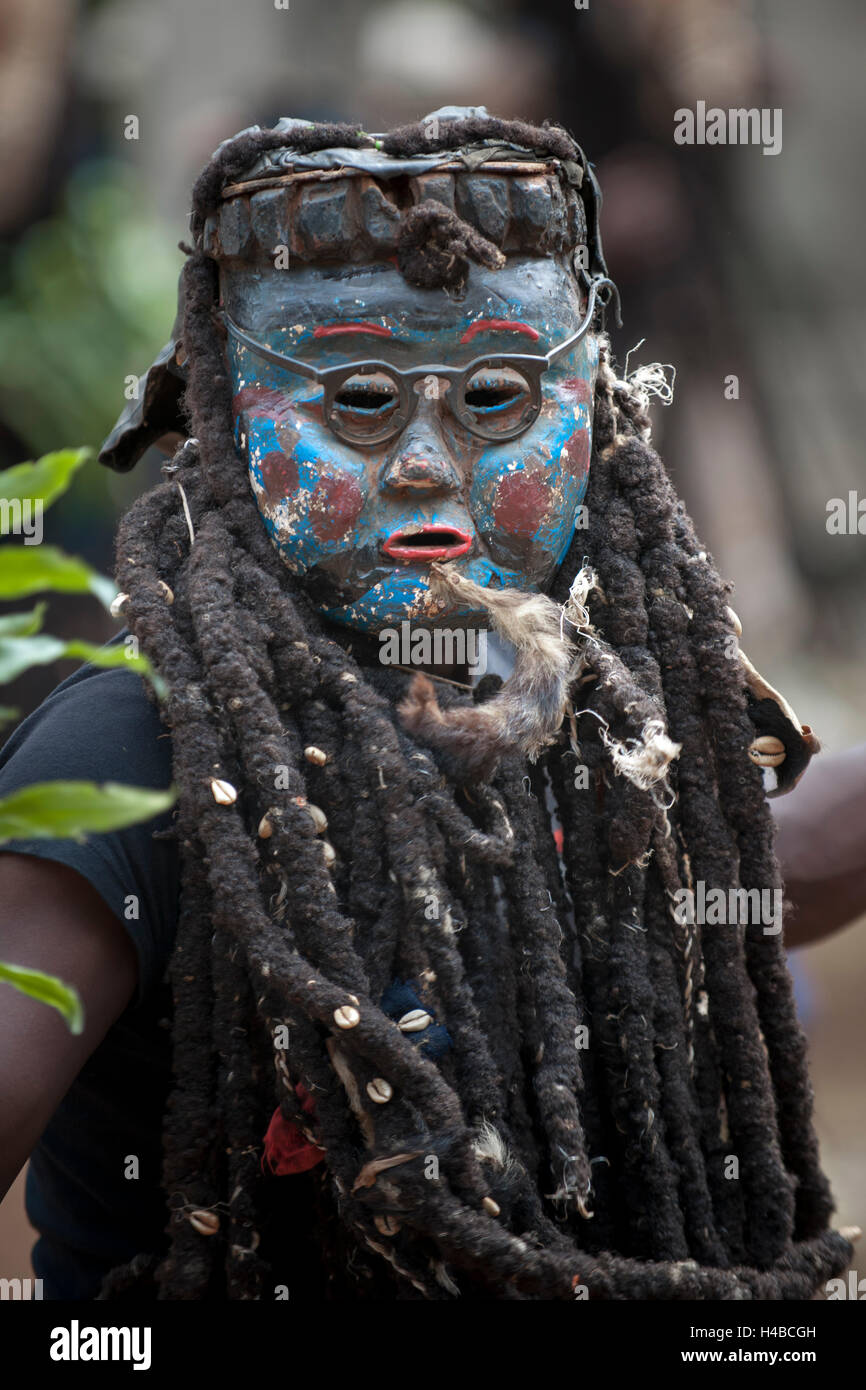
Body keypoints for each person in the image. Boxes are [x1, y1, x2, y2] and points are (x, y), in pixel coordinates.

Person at [0, 109, 855, 1300]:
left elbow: (733, 877)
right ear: (227, 418)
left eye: (497, 394)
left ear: (593, 415)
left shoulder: (602, 717)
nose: (422, 462)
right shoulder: (133, 755)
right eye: (355, 398)